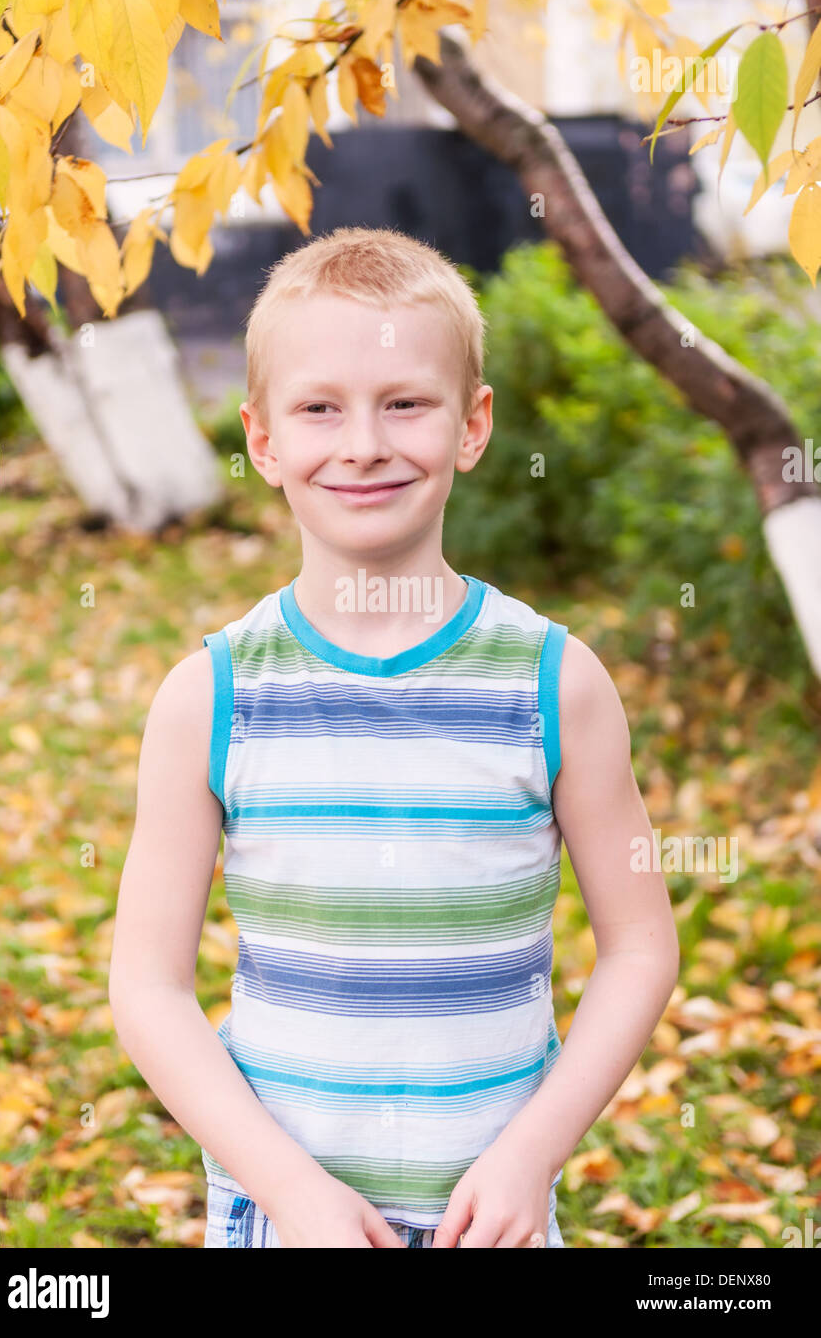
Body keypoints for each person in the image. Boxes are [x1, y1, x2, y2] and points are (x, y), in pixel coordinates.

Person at [108, 225, 680, 1249]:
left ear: (471, 425)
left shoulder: (554, 684)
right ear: (263, 439)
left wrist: (528, 1155)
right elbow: (148, 988)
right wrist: (290, 1190)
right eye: (319, 408)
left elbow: (639, 947)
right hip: (287, 1222)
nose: (363, 443)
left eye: (404, 403)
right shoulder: (212, 698)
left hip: (489, 1223)